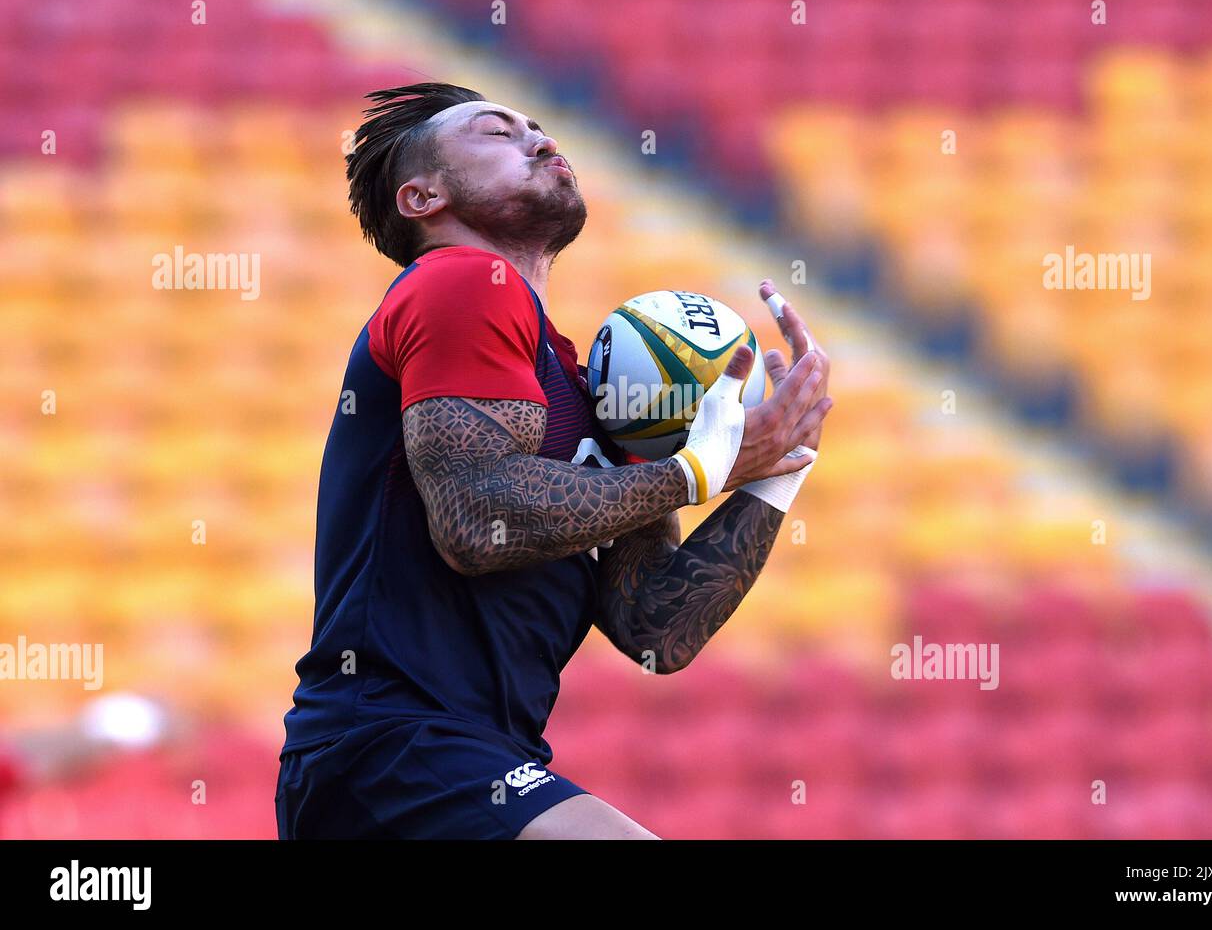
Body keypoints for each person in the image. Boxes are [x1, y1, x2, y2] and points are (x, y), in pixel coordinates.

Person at [276, 83, 832, 839]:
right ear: (422, 197)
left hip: (465, 758)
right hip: (392, 745)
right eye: (496, 132)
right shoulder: (461, 280)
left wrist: (778, 463)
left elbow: (656, 627)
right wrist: (701, 471)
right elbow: (476, 522)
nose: (540, 140)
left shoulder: (583, 386)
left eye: (539, 126)